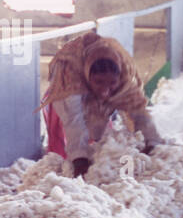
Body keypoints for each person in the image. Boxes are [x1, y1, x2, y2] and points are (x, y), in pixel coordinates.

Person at [41, 31, 163, 177]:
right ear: (88, 76)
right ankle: (67, 158)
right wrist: (80, 160)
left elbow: (140, 113)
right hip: (67, 88)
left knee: (97, 129)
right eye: (99, 82)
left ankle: (92, 149)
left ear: (119, 78)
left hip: (90, 81)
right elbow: (74, 121)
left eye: (112, 83)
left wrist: (153, 143)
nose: (105, 90)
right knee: (73, 137)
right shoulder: (69, 79)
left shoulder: (126, 79)